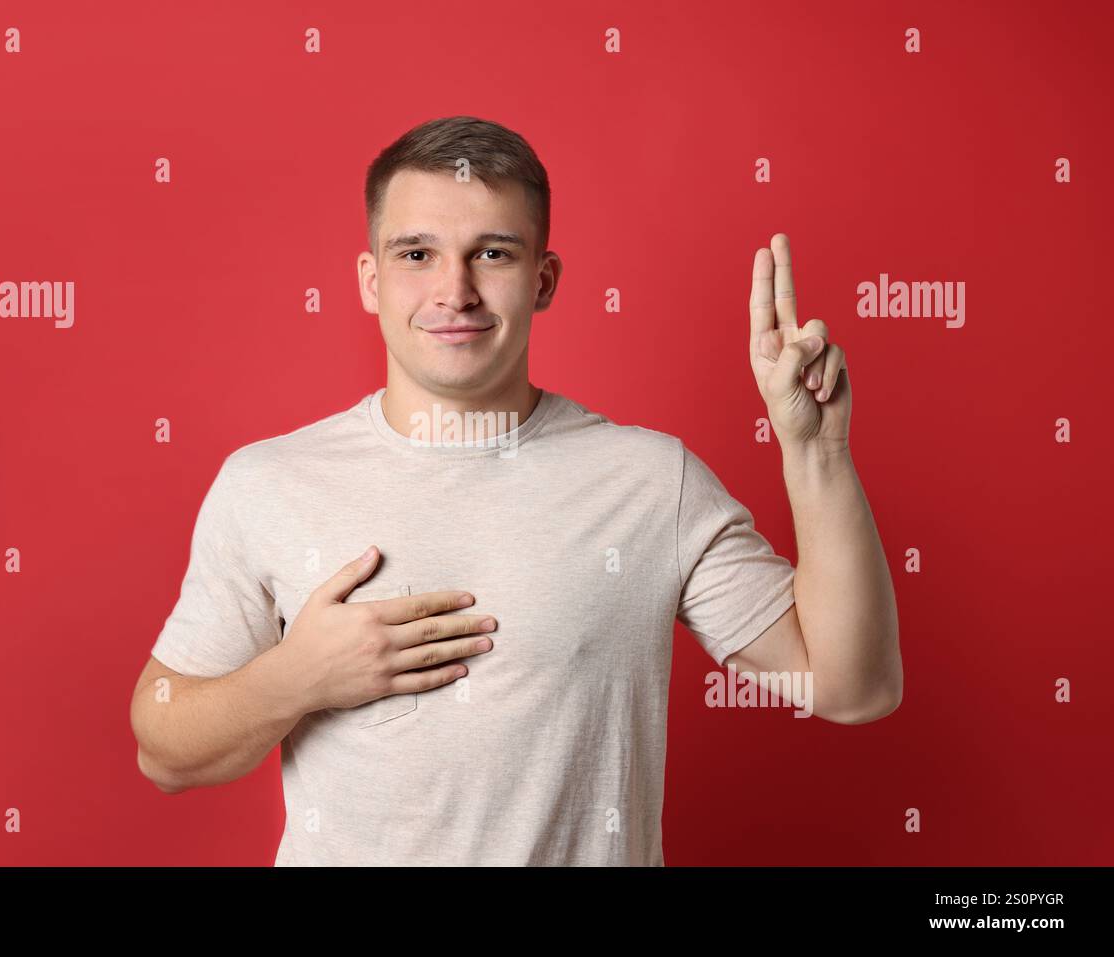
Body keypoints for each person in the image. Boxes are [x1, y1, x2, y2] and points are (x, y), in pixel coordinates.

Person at [128, 115, 902, 866]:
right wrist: (297, 677)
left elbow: (851, 686)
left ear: (544, 279)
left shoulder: (649, 482)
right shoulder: (268, 483)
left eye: (491, 253)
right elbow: (163, 748)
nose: (455, 291)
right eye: (417, 254)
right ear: (370, 281)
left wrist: (815, 450)